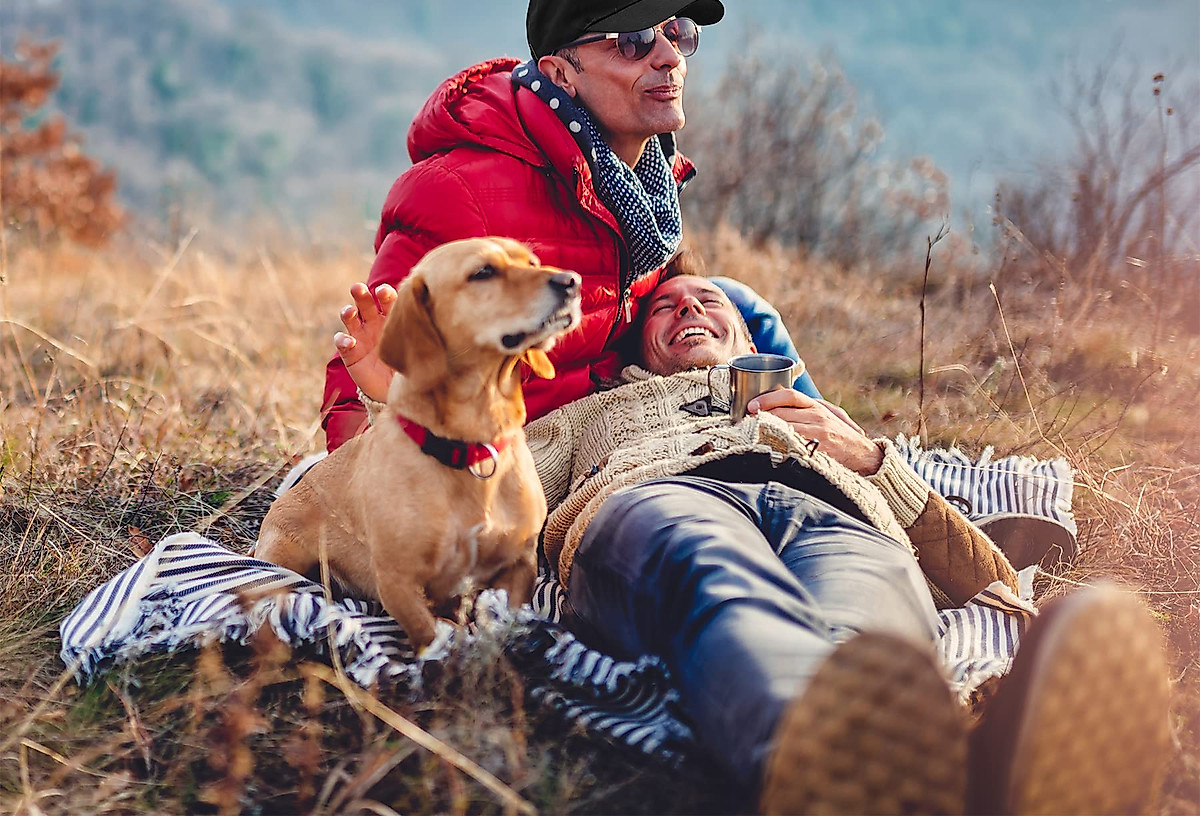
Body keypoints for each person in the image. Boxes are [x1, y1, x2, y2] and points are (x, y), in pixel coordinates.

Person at [334, 268, 1171, 816]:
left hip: (834, 517)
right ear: (636, 348)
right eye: (665, 308)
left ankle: (908, 774)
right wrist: (400, 397)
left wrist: (869, 459)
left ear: (750, 340)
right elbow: (465, 490)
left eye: (709, 303)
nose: (688, 309)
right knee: (715, 578)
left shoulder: (824, 419)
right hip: (659, 504)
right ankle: (886, 768)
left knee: (874, 640)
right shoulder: (590, 414)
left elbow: (985, 579)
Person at [321, 0, 729, 451]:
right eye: (633, 41)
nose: (669, 57)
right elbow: (364, 377)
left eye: (676, 33)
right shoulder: (458, 192)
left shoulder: (648, 189)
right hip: (513, 457)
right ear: (560, 74)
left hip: (616, 423)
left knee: (732, 303)